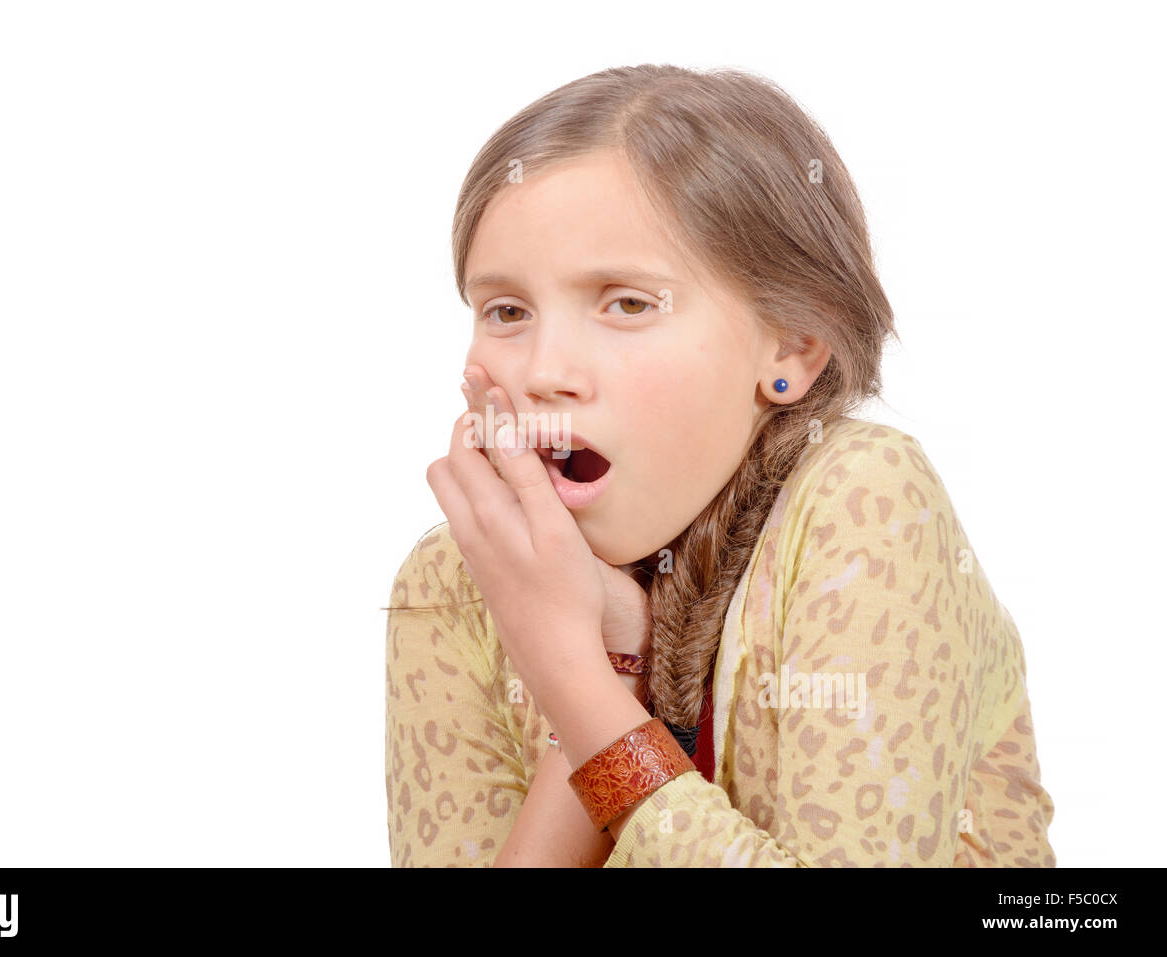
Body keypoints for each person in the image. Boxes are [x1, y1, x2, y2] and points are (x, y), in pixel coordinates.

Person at [384, 64, 1055, 867]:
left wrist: (571, 675)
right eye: (506, 311)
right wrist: (621, 666)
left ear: (791, 346)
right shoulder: (454, 578)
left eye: (627, 302)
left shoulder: (862, 499)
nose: (541, 369)